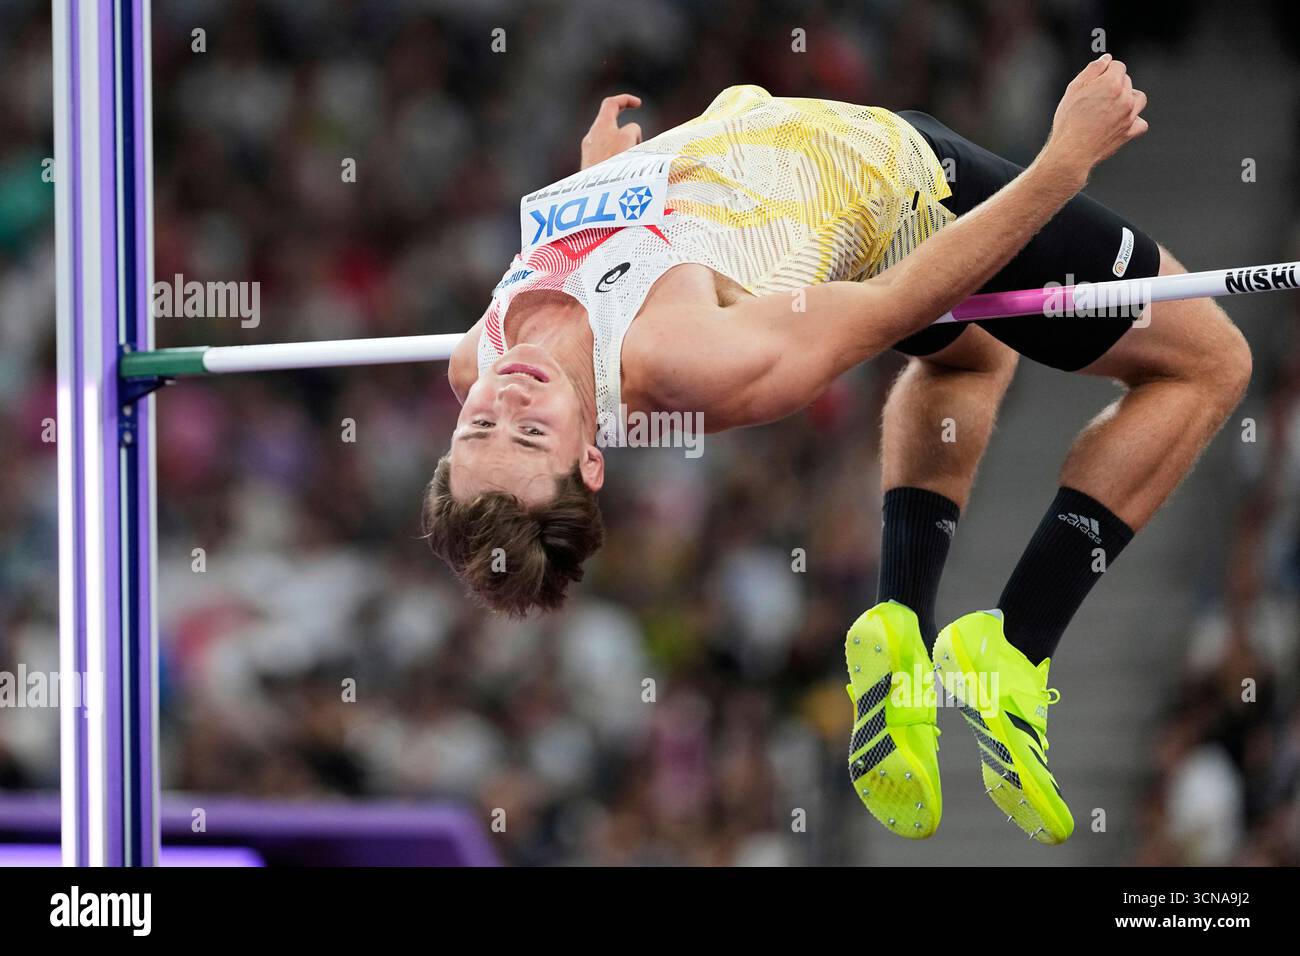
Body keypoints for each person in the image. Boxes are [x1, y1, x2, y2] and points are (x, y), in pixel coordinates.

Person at [423, 55, 1252, 844]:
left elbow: (575, 270)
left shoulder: (477, 358)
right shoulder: (691, 355)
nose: (507, 399)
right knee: (1209, 365)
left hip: (754, 148)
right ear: (590, 459)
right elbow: (895, 300)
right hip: (911, 185)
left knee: (969, 353)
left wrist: (593, 181)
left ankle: (900, 624)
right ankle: (1016, 648)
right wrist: (1062, 165)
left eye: (480, 426)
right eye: (531, 433)